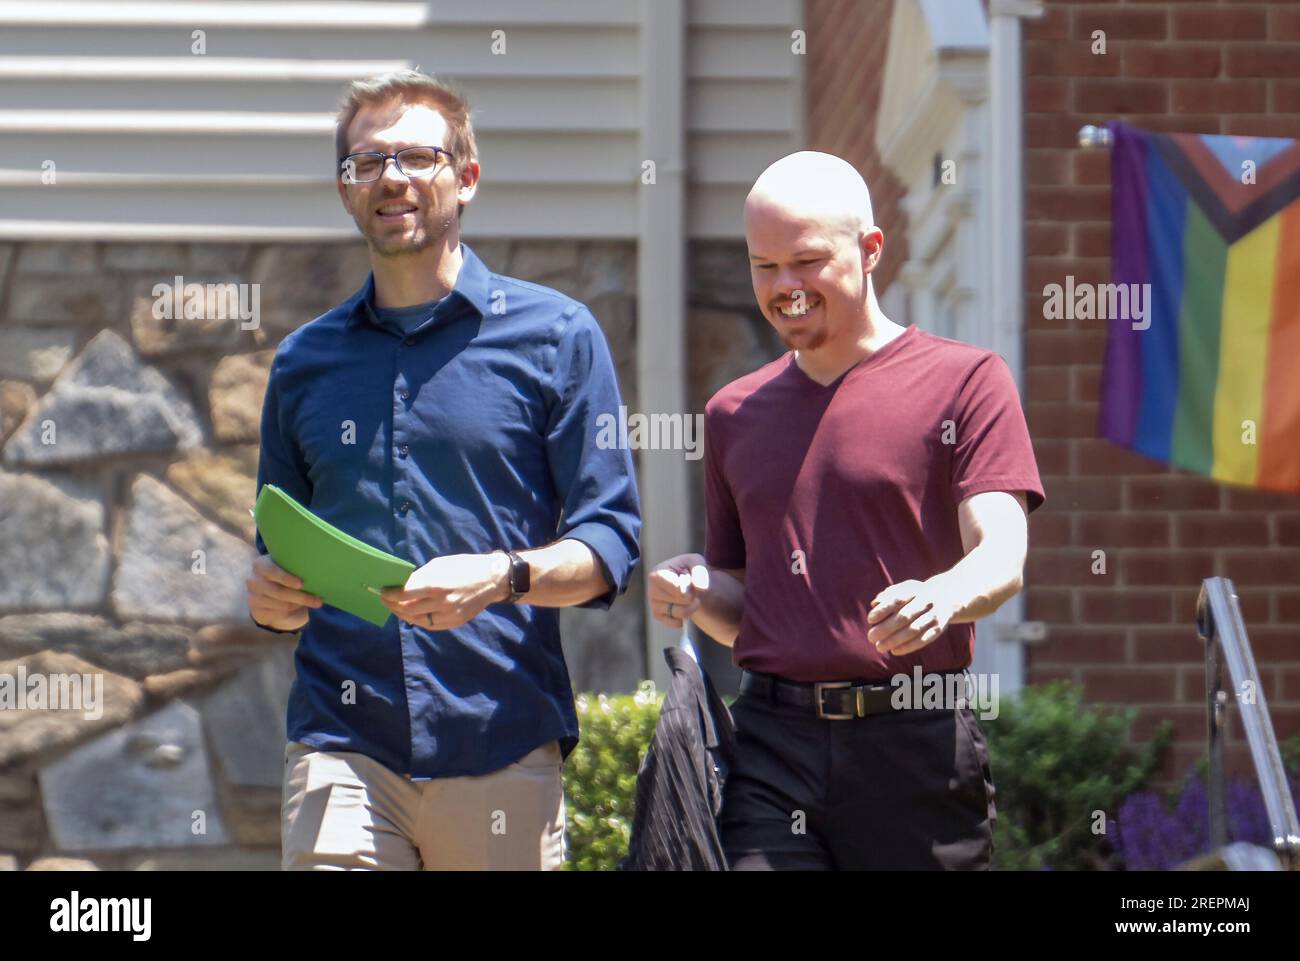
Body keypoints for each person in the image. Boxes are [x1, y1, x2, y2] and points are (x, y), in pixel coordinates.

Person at [244, 70, 641, 870]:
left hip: (500, 738)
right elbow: (279, 548)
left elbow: (609, 544)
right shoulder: (303, 363)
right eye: (367, 162)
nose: (391, 177)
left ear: (467, 177)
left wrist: (501, 577)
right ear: (346, 190)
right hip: (341, 740)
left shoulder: (558, 337)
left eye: (418, 157)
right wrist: (268, 596)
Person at [649, 151, 1045, 870]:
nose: (785, 287)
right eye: (765, 266)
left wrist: (943, 595)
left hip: (915, 745)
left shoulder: (967, 381)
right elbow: (746, 604)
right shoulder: (733, 413)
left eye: (806, 261)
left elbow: (1001, 553)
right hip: (771, 748)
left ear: (870, 250)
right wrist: (699, 589)